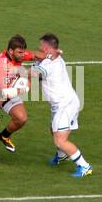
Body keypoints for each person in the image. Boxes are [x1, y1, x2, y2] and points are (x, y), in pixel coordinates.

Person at [35, 34, 92, 177]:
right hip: (66, 102)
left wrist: (14, 71)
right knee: (53, 128)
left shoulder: (49, 64)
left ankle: (85, 166)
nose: (38, 49)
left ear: (46, 48)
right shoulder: (54, 58)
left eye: (41, 46)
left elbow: (34, 74)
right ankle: (62, 156)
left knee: (60, 140)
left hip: (64, 104)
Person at [0, 35, 36, 167]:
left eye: (23, 52)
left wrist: (51, 55)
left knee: (21, 118)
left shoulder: (17, 54)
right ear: (10, 51)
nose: (22, 55)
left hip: (6, 92)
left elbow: (35, 55)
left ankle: (4, 136)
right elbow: (5, 92)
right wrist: (26, 85)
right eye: (20, 52)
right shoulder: (2, 66)